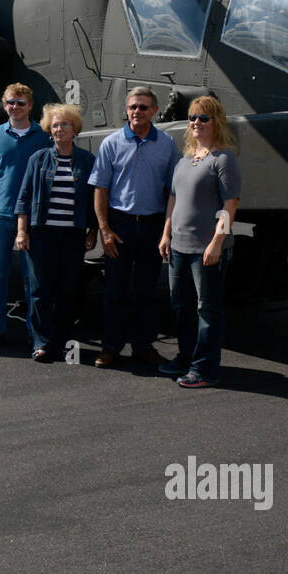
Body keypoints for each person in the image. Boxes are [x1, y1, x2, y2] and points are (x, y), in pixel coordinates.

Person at [89, 86, 180, 369]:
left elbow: (173, 190)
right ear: (126, 110)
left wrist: (167, 229)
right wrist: (104, 229)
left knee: (146, 291)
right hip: (120, 226)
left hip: (151, 226)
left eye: (143, 107)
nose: (137, 112)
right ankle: (110, 347)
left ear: (154, 110)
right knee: (115, 291)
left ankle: (143, 346)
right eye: (132, 107)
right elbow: (100, 189)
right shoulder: (111, 143)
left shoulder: (166, 143)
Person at [159, 96, 241, 388]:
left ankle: (205, 369)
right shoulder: (185, 158)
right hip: (179, 247)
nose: (196, 122)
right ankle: (185, 358)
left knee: (207, 309)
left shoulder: (223, 158)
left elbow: (230, 205)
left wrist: (217, 242)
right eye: (193, 117)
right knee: (180, 305)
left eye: (203, 118)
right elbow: (173, 198)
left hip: (205, 249)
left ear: (215, 122)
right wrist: (166, 233)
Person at [14, 104, 98, 362]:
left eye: (64, 125)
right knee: (40, 291)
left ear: (75, 130)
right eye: (55, 125)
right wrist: (21, 232)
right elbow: (24, 198)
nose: (59, 129)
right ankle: (41, 343)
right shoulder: (38, 159)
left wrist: (92, 230)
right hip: (41, 235)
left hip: (72, 236)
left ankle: (63, 343)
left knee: (68, 291)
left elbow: (95, 199)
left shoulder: (87, 160)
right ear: (49, 130)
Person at [0, 83, 51, 347]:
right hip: (0, 217)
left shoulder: (44, 136)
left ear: (30, 106)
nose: (14, 107)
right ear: (4, 104)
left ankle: (35, 333)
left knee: (33, 281)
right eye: (9, 102)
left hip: (33, 219)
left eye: (20, 103)